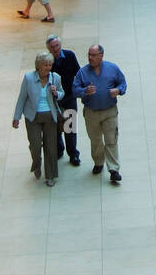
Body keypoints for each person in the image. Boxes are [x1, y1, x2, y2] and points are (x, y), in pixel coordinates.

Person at [73, 44, 126, 184]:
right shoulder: (82, 72)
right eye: (89, 55)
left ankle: (114, 169)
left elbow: (123, 83)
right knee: (95, 140)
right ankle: (98, 162)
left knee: (111, 140)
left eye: (93, 55)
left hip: (109, 111)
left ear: (101, 56)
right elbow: (75, 89)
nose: (90, 57)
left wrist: (119, 91)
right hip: (91, 112)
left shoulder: (112, 69)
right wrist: (84, 91)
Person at [12, 52, 64, 185]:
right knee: (35, 145)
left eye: (50, 65)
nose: (48, 68)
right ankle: (37, 164)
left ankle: (50, 176)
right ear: (38, 66)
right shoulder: (29, 78)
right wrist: (16, 117)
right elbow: (22, 98)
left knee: (51, 147)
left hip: (50, 116)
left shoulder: (55, 78)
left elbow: (62, 93)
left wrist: (56, 93)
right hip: (32, 116)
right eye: (45, 65)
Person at [46, 34, 81, 166]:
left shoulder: (70, 55)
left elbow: (78, 73)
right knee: (55, 126)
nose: (55, 49)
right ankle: (58, 150)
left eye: (57, 45)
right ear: (48, 49)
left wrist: (78, 90)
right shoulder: (47, 60)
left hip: (69, 97)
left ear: (60, 45)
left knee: (70, 126)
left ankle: (73, 153)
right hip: (54, 100)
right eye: (52, 47)